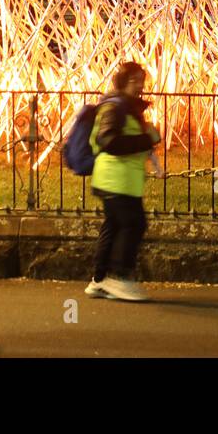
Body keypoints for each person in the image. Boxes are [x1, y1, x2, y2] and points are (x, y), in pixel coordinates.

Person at [85, 61, 161, 303]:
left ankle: (98, 280)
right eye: (136, 79)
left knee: (114, 225)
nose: (141, 84)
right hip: (116, 180)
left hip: (120, 180)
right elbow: (109, 141)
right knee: (134, 225)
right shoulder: (115, 107)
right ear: (125, 81)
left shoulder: (127, 108)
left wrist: (151, 151)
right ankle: (119, 277)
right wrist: (145, 139)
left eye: (142, 79)